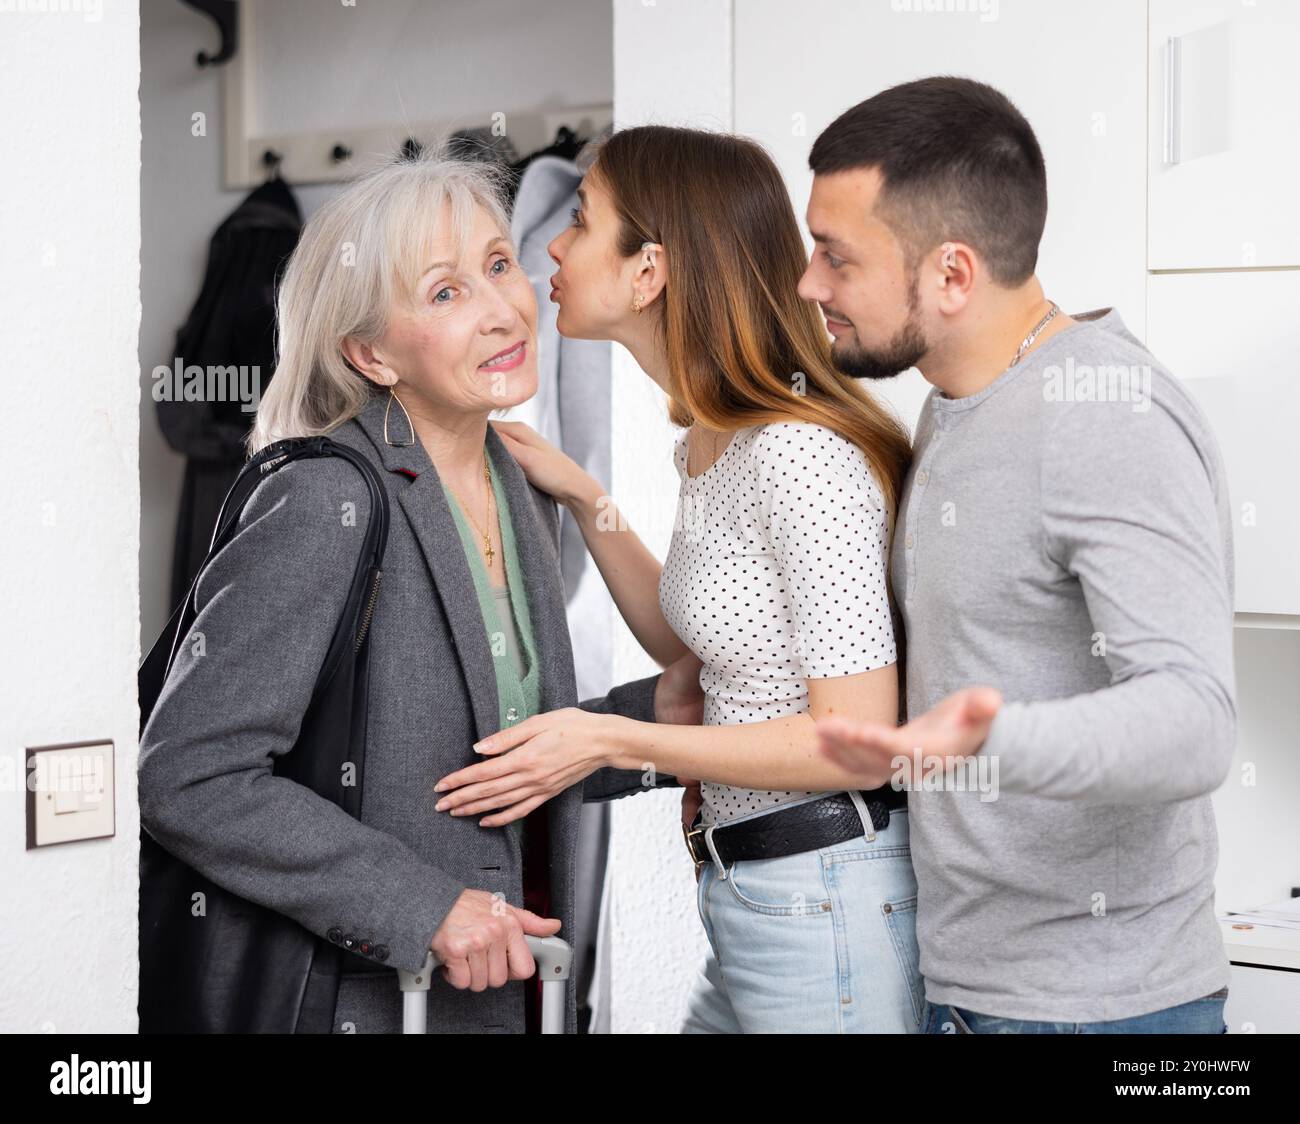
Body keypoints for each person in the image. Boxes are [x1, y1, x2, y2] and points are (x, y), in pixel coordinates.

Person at [137, 149, 703, 1035]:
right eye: (445, 293)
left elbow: (477, 759)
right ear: (370, 353)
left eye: (497, 265)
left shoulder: (515, 482)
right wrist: (422, 908)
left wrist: (640, 724)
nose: (500, 311)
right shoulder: (327, 496)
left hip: (507, 1000)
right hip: (359, 1006)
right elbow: (190, 774)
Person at [432, 126, 923, 1033]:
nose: (555, 245)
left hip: (825, 906)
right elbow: (696, 644)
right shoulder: (713, 441)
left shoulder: (798, 456)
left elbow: (857, 737)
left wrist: (613, 742)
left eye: (581, 222)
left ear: (648, 270)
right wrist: (588, 499)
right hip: (754, 897)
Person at [804, 77, 1234, 1034]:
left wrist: (991, 741)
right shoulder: (954, 404)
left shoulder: (1105, 416)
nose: (810, 284)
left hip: (1109, 1011)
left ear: (952, 274)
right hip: (973, 990)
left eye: (836, 257)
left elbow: (1196, 722)